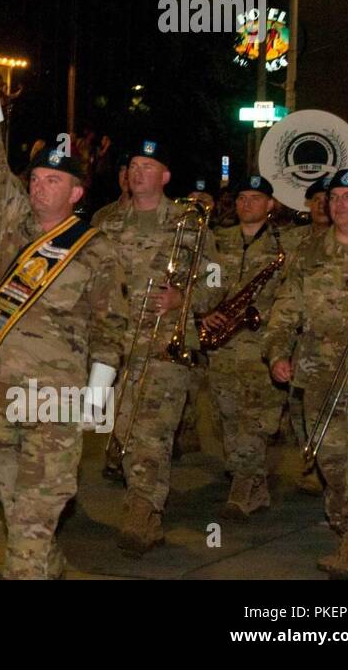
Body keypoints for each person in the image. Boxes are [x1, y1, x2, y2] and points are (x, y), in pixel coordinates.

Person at [0, 57, 129, 577]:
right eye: (35, 177)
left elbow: (112, 328)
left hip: (56, 396)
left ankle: (33, 564)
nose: (39, 187)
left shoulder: (96, 250)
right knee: (7, 497)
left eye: (53, 180)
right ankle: (45, 559)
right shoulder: (13, 221)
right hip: (0, 391)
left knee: (34, 515)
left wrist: (98, 395)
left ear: (77, 192)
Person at [263, 169, 348, 579]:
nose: (339, 204)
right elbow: (286, 310)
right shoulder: (309, 253)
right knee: (329, 460)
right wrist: (276, 352)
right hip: (319, 374)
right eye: (334, 197)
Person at [97, 137, 198, 556]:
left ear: (165, 176)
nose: (138, 172)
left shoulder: (187, 223)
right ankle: (145, 505)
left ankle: (143, 512)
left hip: (162, 346)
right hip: (116, 347)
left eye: (148, 165)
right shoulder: (108, 223)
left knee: (152, 435)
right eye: (133, 165)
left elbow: (216, 281)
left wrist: (183, 297)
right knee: (121, 431)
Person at [195, 176, 291, 520]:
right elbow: (204, 285)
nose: (246, 204)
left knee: (256, 421)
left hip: (262, 347)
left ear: (270, 205)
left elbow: (292, 297)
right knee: (227, 418)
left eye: (255, 198)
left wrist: (262, 315)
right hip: (223, 348)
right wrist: (204, 313)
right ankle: (255, 484)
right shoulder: (218, 243)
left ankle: (241, 485)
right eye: (242, 197)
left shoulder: (284, 248)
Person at [91, 154, 132, 227]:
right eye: (122, 170)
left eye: (130, 170)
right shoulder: (101, 215)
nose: (126, 176)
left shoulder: (152, 214)